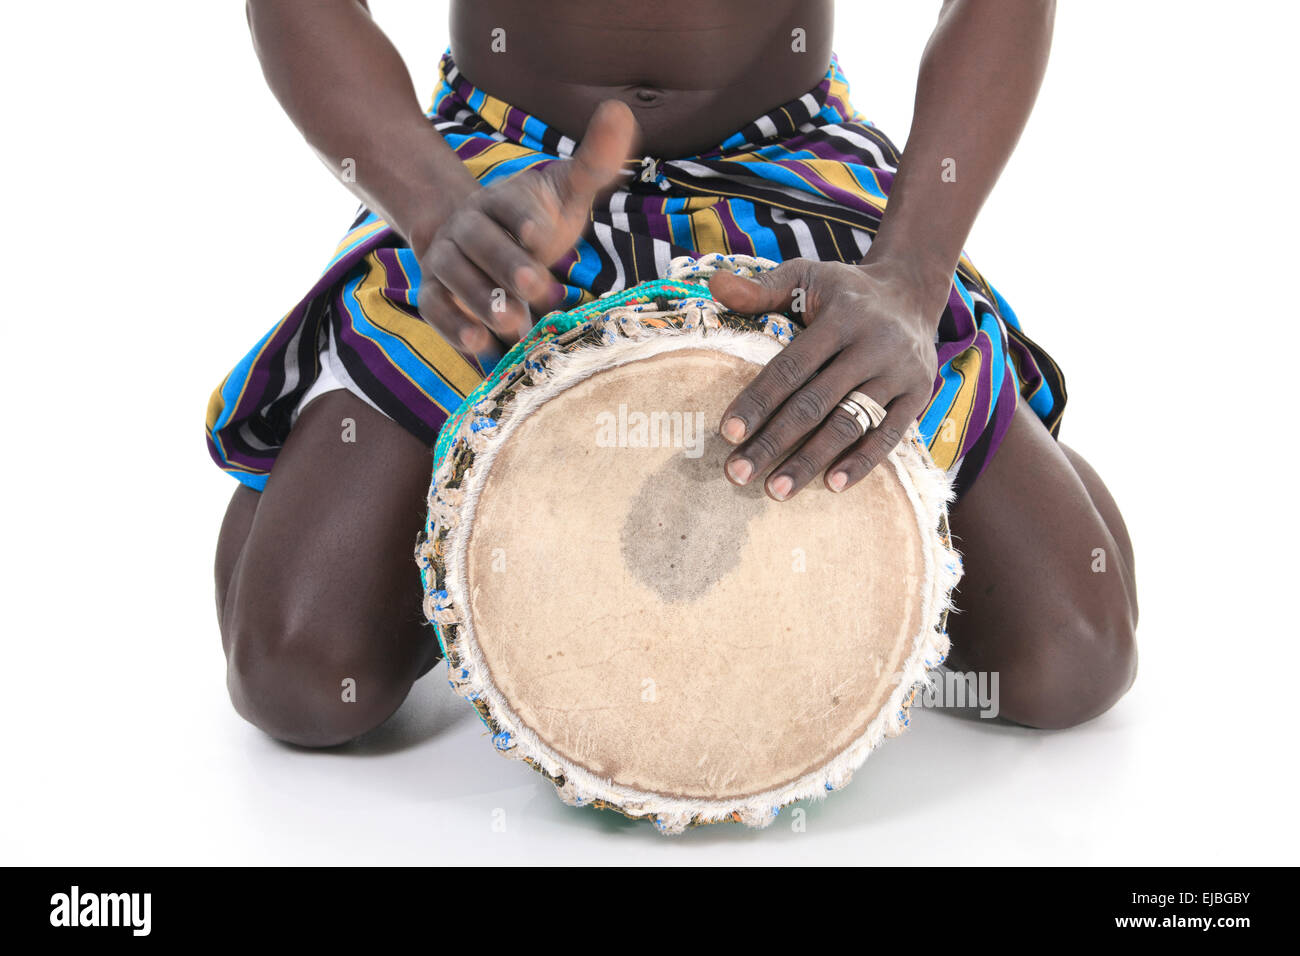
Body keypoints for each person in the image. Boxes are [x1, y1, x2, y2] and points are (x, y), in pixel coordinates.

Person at [210, 0, 1137, 747]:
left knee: (1068, 660)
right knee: (304, 678)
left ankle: (979, 441)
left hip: (790, 175)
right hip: (502, 188)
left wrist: (910, 276)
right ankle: (333, 449)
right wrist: (435, 207)